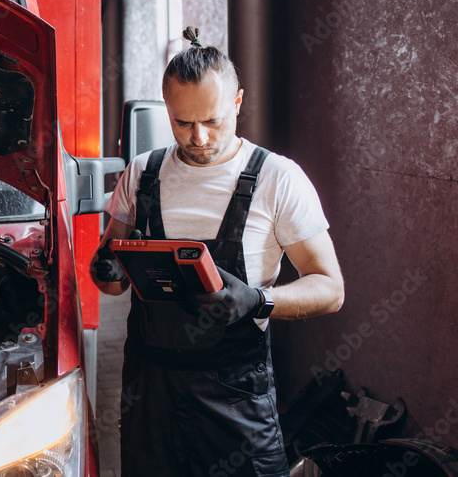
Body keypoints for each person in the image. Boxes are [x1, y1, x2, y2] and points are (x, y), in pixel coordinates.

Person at [90, 27, 344, 477]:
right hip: (150, 392)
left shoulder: (277, 179)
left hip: (236, 397)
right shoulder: (142, 174)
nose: (199, 138)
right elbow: (112, 285)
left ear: (238, 103)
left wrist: (260, 299)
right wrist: (105, 265)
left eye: (212, 121)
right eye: (183, 123)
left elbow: (331, 288)